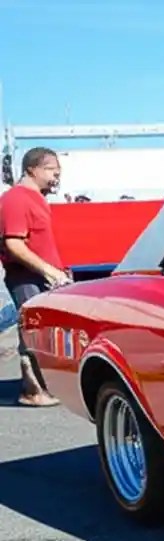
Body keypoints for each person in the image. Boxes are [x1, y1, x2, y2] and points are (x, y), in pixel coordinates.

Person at [1, 147, 68, 407]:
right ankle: (33, 391)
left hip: (42, 278)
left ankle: (43, 387)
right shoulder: (16, 199)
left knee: (42, 333)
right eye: (52, 171)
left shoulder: (36, 198)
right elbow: (13, 244)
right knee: (33, 333)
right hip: (27, 278)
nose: (56, 177)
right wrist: (48, 271)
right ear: (32, 169)